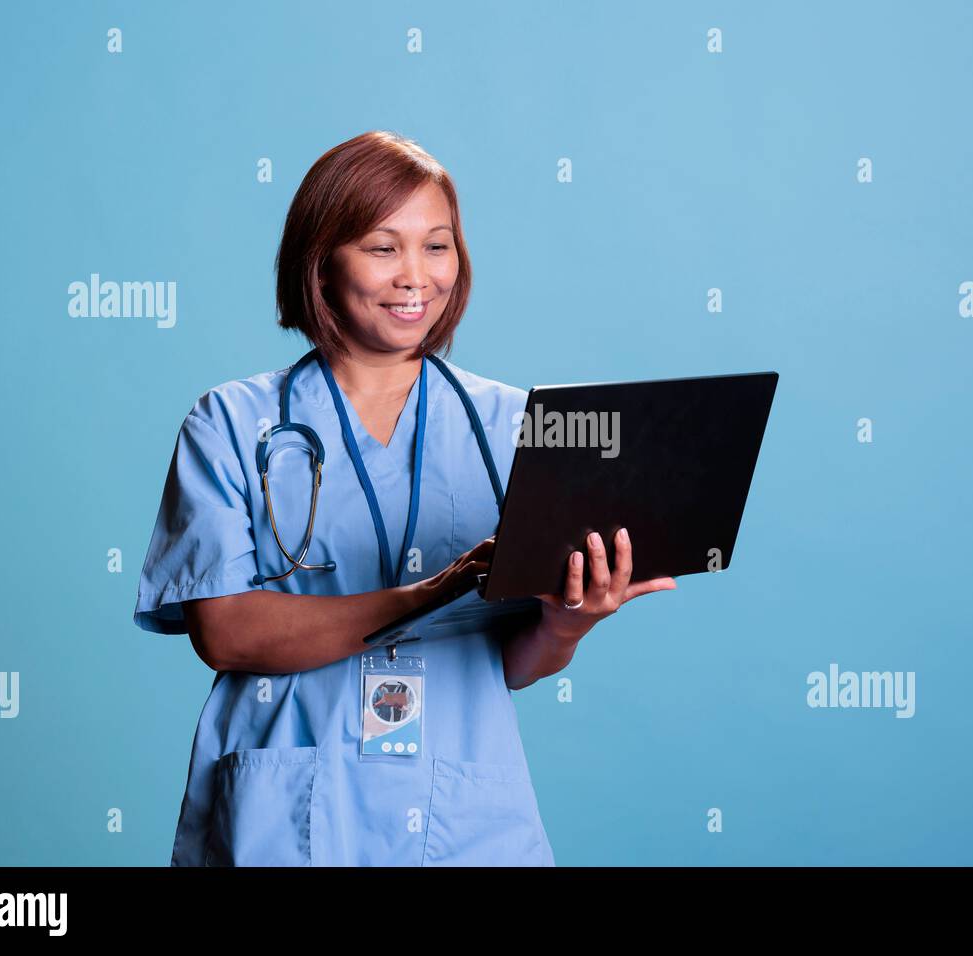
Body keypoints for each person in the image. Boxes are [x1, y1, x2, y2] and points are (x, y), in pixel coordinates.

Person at [132, 130, 677, 866]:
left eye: (438, 246)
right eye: (383, 248)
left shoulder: (522, 427)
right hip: (287, 811)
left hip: (468, 816)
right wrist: (430, 593)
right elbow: (225, 633)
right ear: (320, 263)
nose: (416, 276)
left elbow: (508, 662)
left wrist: (567, 623)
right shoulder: (230, 422)